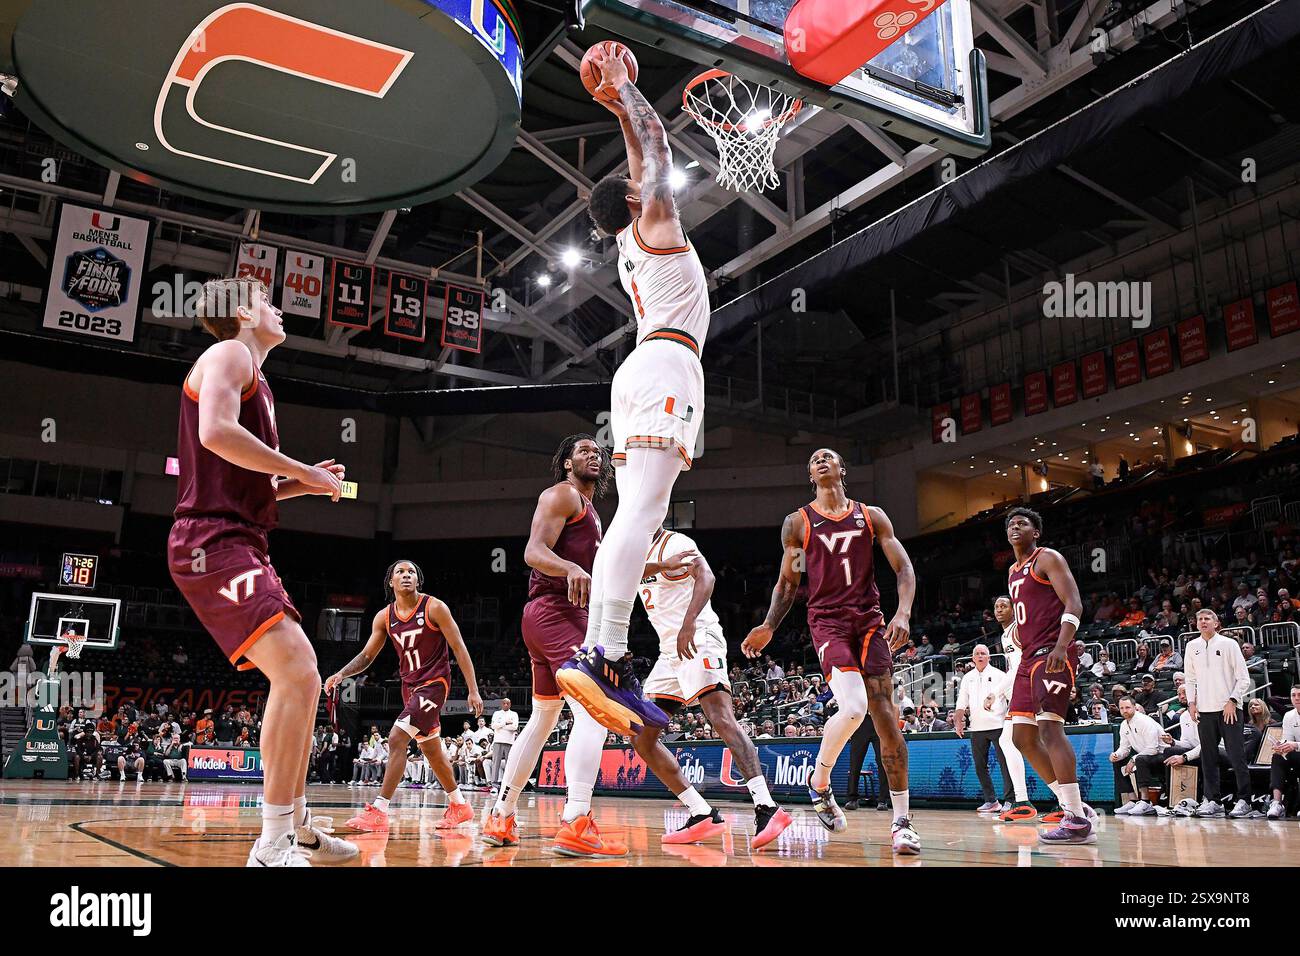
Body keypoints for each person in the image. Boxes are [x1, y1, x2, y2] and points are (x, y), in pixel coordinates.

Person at [165, 276, 354, 867]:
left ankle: (297, 829)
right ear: (242, 312)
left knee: (306, 677)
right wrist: (299, 467)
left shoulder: (259, 378)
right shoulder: (228, 353)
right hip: (211, 541)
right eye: (268, 300)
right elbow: (215, 433)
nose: (278, 308)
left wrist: (305, 481)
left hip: (240, 538)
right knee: (297, 670)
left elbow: (254, 484)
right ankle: (273, 842)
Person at [555, 46, 711, 748]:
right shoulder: (652, 222)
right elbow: (656, 154)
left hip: (652, 368)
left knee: (639, 514)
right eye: (639, 187)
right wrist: (628, 99)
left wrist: (618, 105)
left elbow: (642, 165)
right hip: (664, 366)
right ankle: (605, 651)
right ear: (631, 201)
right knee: (642, 514)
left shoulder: (631, 237)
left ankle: (604, 650)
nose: (649, 184)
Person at [484, 437, 718, 857]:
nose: (593, 455)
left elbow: (607, 568)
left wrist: (657, 566)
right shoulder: (562, 494)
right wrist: (570, 567)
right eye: (584, 450)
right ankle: (576, 819)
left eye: (598, 452)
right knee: (594, 707)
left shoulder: (593, 516)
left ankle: (501, 814)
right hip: (558, 611)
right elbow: (533, 552)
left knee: (542, 718)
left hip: (549, 618)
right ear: (567, 461)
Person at [744, 448, 921, 855]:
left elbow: (904, 568)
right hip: (827, 622)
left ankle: (902, 822)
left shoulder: (872, 515)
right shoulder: (797, 523)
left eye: (830, 456)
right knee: (855, 706)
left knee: (886, 718)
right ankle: (820, 782)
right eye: (815, 459)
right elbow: (788, 584)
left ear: (843, 468)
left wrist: (904, 613)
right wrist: (769, 626)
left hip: (870, 621)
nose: (822, 460)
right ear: (810, 474)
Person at [637, 524, 794, 847]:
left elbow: (707, 577)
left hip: (696, 638)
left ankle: (767, 807)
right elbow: (621, 578)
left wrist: (689, 622)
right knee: (642, 736)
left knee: (721, 719)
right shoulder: (635, 552)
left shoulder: (676, 541)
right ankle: (701, 812)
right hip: (668, 652)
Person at [329, 560, 483, 833]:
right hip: (409, 687)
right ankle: (459, 805)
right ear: (391, 582)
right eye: (400, 572)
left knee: (397, 737)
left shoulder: (434, 607)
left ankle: (379, 809)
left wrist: (473, 689)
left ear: (418, 580)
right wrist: (341, 674)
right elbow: (367, 656)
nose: (406, 575)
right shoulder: (384, 617)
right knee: (431, 749)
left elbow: (459, 647)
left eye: (411, 571)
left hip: (434, 684)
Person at [1003, 507, 1097, 845]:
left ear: (1036, 532)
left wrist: (1061, 646)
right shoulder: (1013, 571)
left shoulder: (1048, 558)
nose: (1015, 527)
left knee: (1049, 729)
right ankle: (1075, 808)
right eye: (1011, 524)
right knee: (1021, 738)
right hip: (1028, 658)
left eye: (1023, 523)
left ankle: (1075, 819)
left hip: (1052, 652)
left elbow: (1074, 603)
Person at [1184, 609, 1252, 818]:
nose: (1203, 622)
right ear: (1196, 624)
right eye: (1199, 619)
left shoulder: (1229, 644)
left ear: (1216, 623)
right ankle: (1213, 800)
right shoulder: (1191, 646)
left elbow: (1244, 678)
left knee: (1236, 755)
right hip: (1204, 711)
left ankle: (1245, 801)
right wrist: (1191, 703)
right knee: (1208, 757)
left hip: (1228, 709)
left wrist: (1232, 700)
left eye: (1207, 619)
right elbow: (1190, 679)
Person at [953, 643, 1014, 814]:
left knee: (1005, 764)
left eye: (983, 653)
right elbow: (961, 701)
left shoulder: (1000, 675)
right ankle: (991, 801)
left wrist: (1009, 721)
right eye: (977, 654)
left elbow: (1011, 699)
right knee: (980, 766)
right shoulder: (968, 678)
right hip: (977, 728)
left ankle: (1010, 800)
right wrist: (958, 720)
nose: (980, 656)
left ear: (989, 657)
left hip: (999, 726)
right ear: (973, 658)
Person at [1109, 696, 1163, 814]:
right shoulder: (1123, 724)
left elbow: (1153, 749)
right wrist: (1116, 754)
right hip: (1145, 756)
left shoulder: (1145, 721)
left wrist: (1133, 759)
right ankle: (1132, 800)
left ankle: (1145, 801)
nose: (1124, 710)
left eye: (1127, 707)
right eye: (1122, 708)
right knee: (1118, 760)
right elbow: (1124, 748)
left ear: (1135, 707)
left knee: (1140, 759)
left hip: (1162, 756)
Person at [1266, 685, 1300, 819]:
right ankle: (1277, 803)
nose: (1296, 698)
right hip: (1297, 754)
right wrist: (1282, 746)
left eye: (1299, 695)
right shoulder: (1288, 716)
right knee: (1277, 757)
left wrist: (1295, 745)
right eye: (1293, 695)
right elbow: (1288, 740)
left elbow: (1294, 744)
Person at [489, 698, 518, 788]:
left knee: (509, 763)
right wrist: (505, 722)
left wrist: (501, 726)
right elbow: (494, 726)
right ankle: (494, 782)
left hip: (509, 741)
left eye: (507, 703)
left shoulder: (514, 714)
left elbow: (514, 727)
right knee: (495, 762)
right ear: (501, 704)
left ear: (510, 704)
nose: (506, 705)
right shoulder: (496, 713)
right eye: (504, 703)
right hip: (498, 740)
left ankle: (507, 782)